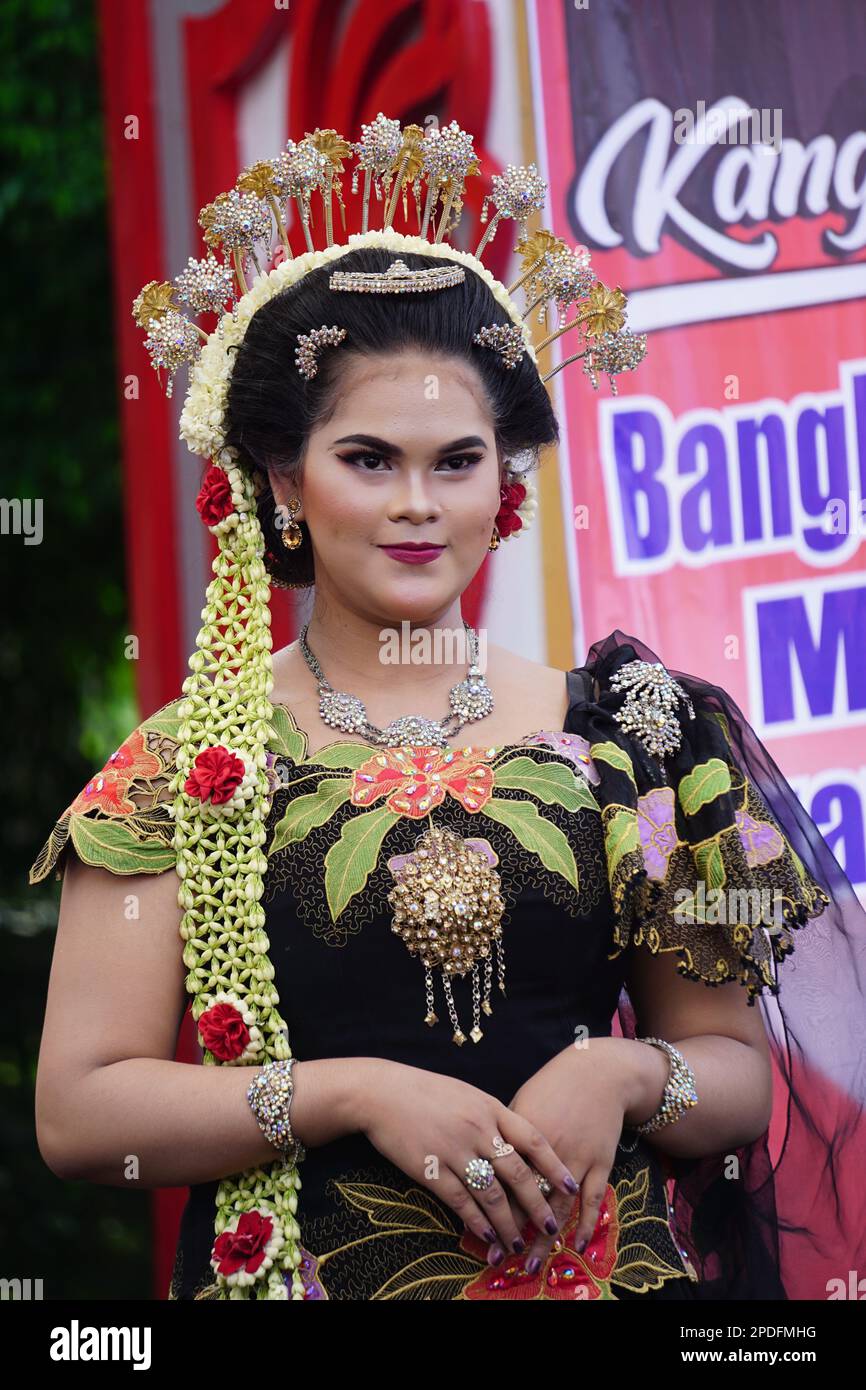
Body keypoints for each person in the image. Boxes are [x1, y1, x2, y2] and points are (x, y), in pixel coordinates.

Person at [29, 119, 866, 1301]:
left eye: (455, 460)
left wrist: (624, 1075)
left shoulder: (634, 731)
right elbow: (78, 1109)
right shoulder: (185, 766)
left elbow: (732, 1072)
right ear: (281, 480)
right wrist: (353, 1090)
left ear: (505, 479)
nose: (417, 505)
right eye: (368, 459)